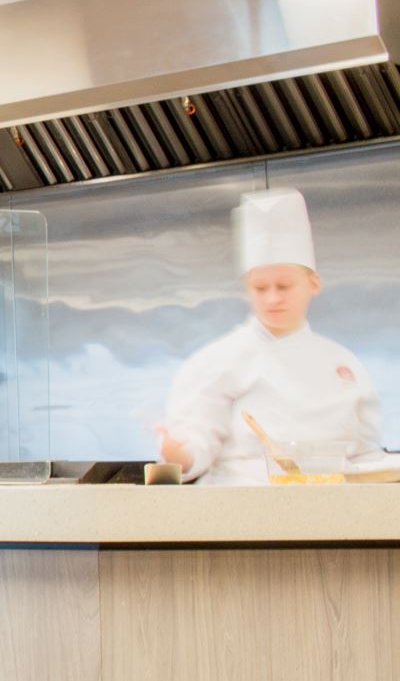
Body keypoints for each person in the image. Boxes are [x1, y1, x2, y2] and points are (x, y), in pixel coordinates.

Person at [157, 189, 384, 485]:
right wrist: (179, 454)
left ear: (313, 284)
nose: (273, 298)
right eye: (260, 288)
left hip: (334, 515)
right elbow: (192, 450)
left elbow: (365, 455)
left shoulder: (343, 363)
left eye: (284, 285)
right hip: (241, 517)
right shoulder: (219, 360)